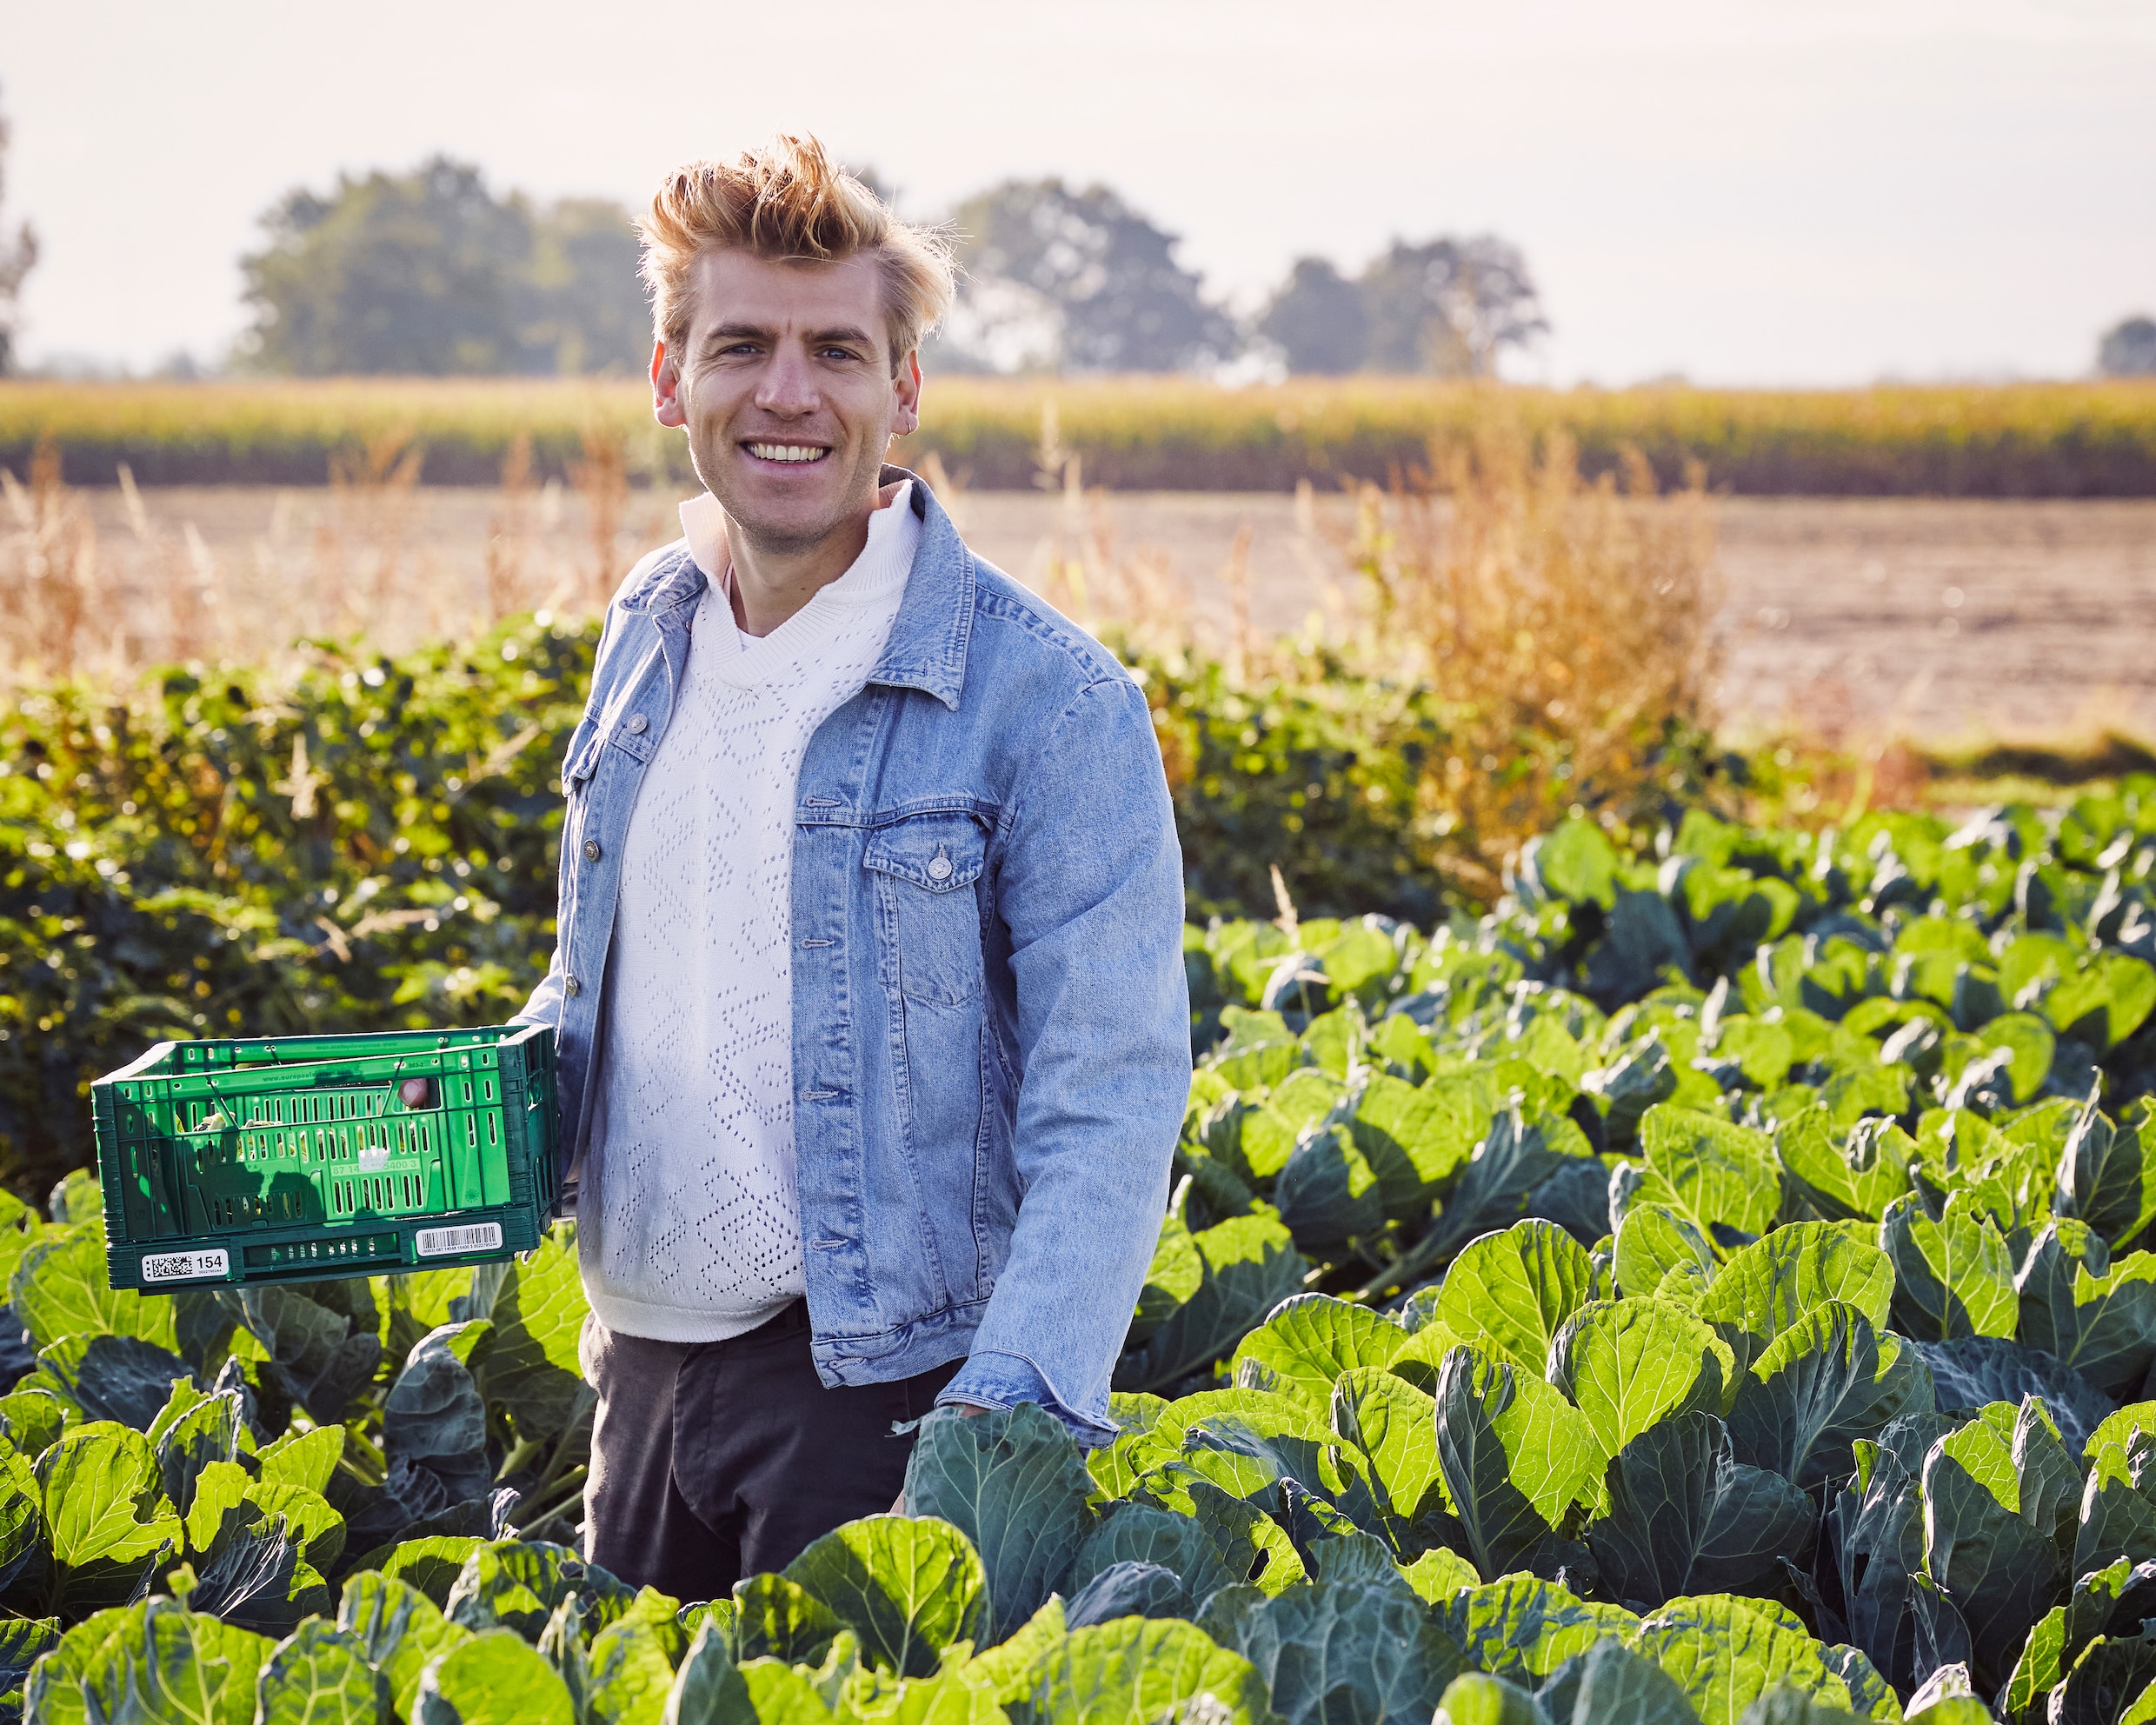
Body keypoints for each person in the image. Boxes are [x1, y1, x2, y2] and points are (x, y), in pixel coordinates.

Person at [513, 134, 1188, 1601]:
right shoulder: (652, 626)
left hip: (877, 1394)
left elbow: (1114, 1090)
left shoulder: (1047, 702)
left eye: (836, 350)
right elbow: (606, 970)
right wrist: (450, 1122)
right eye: (740, 344)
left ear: (905, 388)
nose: (788, 394)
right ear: (668, 377)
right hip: (636, 1370)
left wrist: (1008, 1406)